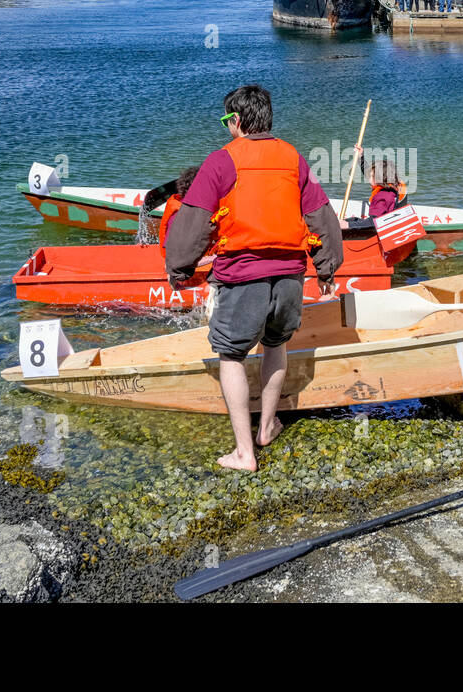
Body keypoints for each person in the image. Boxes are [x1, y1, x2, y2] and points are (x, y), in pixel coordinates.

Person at [166, 86, 344, 472]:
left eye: (226, 120)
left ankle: (245, 453)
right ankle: (267, 426)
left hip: (243, 273)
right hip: (290, 275)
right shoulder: (292, 157)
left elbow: (193, 221)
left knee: (231, 355)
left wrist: (179, 268)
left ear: (236, 121)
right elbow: (321, 214)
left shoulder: (221, 161)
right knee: (276, 344)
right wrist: (327, 267)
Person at [340, 157, 408, 229]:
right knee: (353, 219)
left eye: (371, 176)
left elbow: (373, 222)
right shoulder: (396, 188)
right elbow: (369, 172)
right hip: (390, 225)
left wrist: (348, 225)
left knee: (347, 223)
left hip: (378, 230)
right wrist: (360, 157)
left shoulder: (381, 197)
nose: (369, 178)